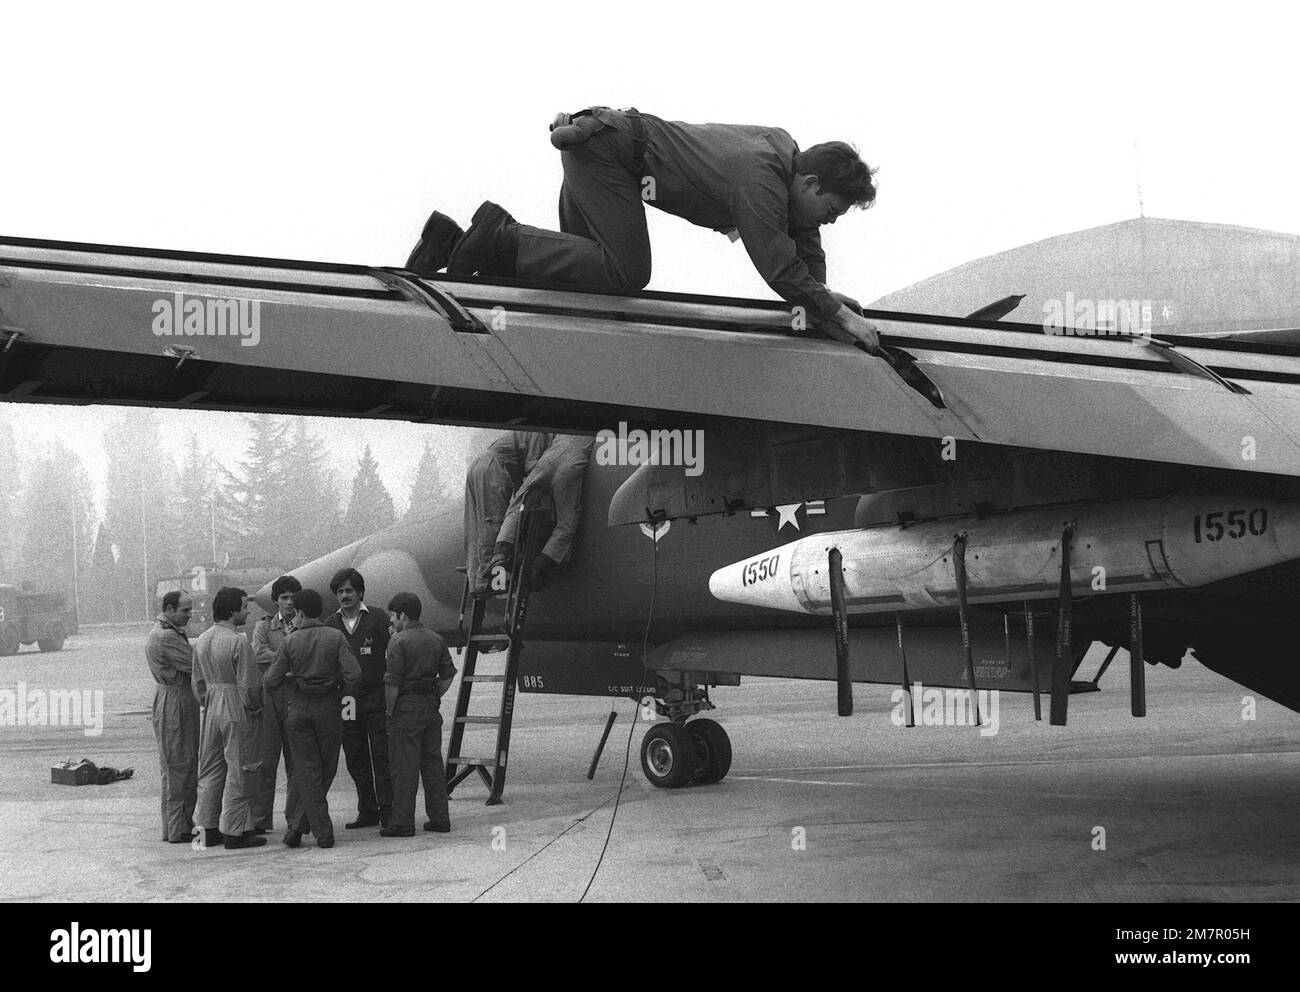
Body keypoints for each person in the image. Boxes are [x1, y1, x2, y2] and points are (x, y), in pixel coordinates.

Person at [405, 106, 883, 353]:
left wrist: (821, 299)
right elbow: (778, 263)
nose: (829, 221)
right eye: (832, 210)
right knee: (625, 271)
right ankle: (495, 238)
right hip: (608, 154)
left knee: (582, 288)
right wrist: (836, 315)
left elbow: (801, 239)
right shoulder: (761, 176)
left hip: (601, 140)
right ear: (812, 182)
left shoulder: (784, 164)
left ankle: (451, 243)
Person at [264, 588, 360, 849]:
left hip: (298, 708)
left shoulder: (290, 641)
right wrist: (337, 684)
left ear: (300, 612)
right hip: (330, 708)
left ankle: (296, 827)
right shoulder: (336, 637)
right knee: (325, 770)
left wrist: (293, 679)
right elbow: (354, 674)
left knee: (305, 772)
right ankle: (322, 831)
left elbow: (270, 680)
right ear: (322, 611)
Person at [192, 587, 265, 850]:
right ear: (232, 610)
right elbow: (249, 686)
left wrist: (208, 701)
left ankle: (205, 829)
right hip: (234, 704)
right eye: (244, 606)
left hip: (211, 703)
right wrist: (255, 708)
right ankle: (235, 832)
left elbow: (197, 682)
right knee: (240, 768)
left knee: (210, 768)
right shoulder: (238, 641)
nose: (247, 610)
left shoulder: (201, 640)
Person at [380, 593, 457, 838]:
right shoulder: (436, 639)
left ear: (402, 614)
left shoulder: (398, 642)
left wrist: (390, 711)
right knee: (432, 765)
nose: (393, 621)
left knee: (404, 768)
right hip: (429, 708)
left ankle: (403, 823)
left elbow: (392, 683)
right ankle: (440, 818)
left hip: (406, 709)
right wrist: (434, 695)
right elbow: (448, 675)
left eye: (394, 616)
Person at [326, 568, 393, 829]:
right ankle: (367, 810)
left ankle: (388, 810)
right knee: (355, 754)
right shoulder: (331, 623)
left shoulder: (377, 617)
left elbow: (394, 651)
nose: (344, 595)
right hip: (347, 700)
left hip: (376, 695)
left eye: (349, 590)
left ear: (360, 592)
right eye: (340, 591)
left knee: (381, 753)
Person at [490, 436, 597, 590]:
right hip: (571, 464)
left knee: (516, 507)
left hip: (548, 460)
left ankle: (501, 553)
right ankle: (541, 566)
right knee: (566, 524)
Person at [464, 431, 553, 596]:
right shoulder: (539, 431)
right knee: (494, 523)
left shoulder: (518, 434)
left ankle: (477, 582)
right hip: (494, 468)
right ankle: (493, 581)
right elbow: (533, 469)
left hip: (480, 466)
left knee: (477, 528)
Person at [250, 574, 302, 834]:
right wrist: (289, 660)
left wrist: (279, 662)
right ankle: (260, 820)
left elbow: (307, 656)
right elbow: (258, 655)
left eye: (293, 597)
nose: (289, 602)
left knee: (296, 762)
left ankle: (295, 820)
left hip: (296, 697)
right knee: (266, 762)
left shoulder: (304, 626)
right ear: (275, 601)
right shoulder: (263, 627)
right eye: (284, 597)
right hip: (270, 698)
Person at [145, 590, 199, 843]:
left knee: (173, 766)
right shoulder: (167, 636)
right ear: (169, 609)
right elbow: (195, 664)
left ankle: (174, 827)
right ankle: (180, 828)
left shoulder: (163, 631)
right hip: (176, 699)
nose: (189, 614)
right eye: (184, 610)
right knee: (181, 764)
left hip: (171, 697)